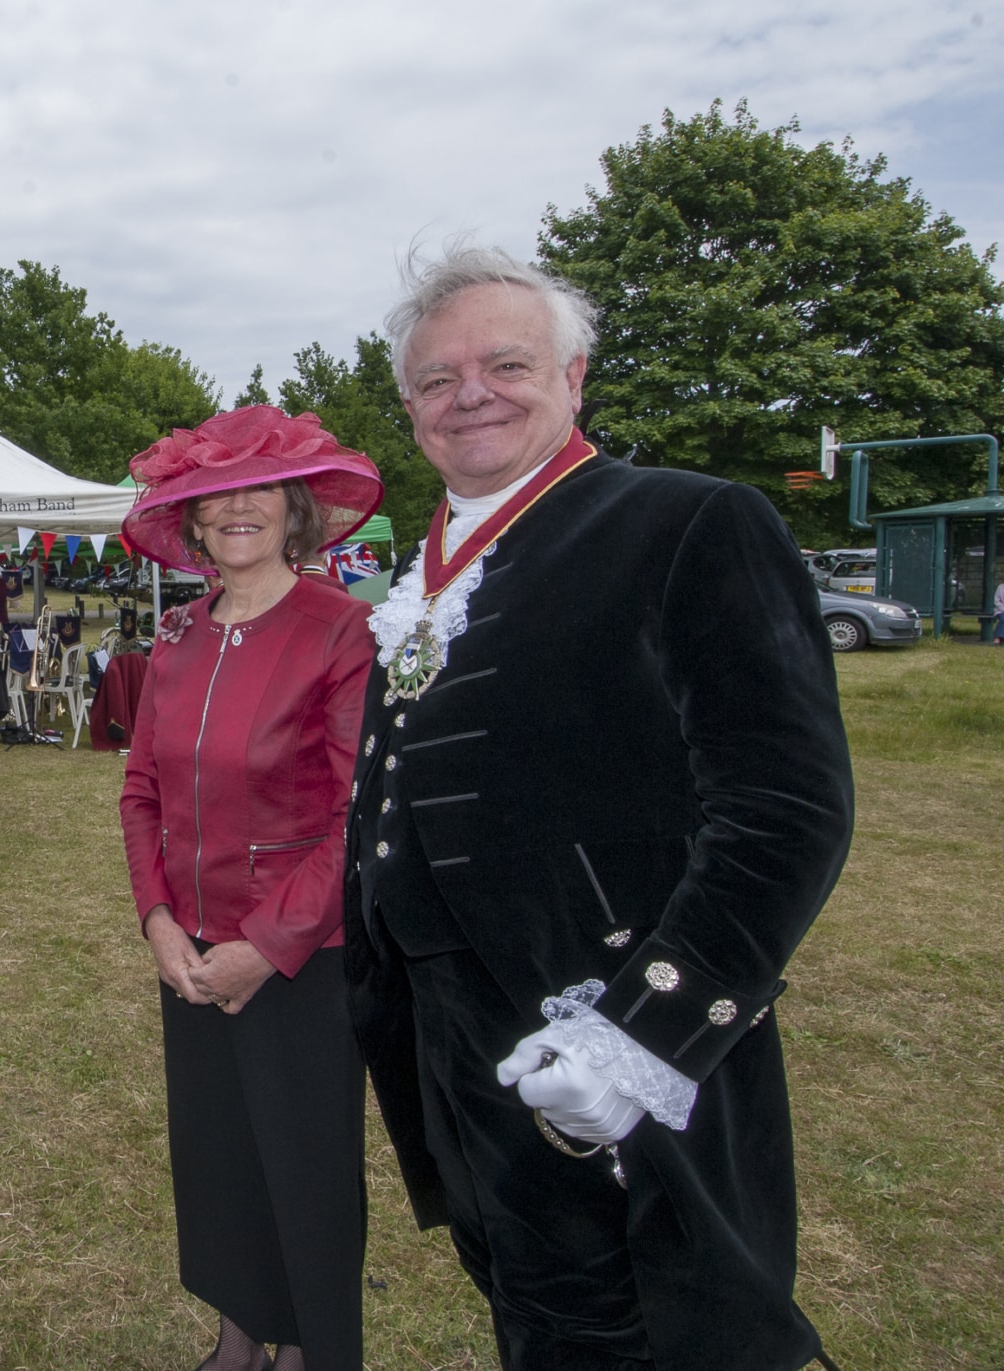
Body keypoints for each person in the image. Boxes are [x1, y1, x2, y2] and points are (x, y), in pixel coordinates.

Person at [347, 245, 852, 1371]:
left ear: (574, 378)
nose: (467, 392)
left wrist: (640, 1039)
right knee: (534, 1308)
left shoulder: (688, 521)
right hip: (450, 1035)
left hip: (604, 1028)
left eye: (505, 363)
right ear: (410, 408)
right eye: (434, 380)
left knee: (665, 1328)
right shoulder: (424, 573)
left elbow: (785, 808)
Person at [115, 405, 381, 1371]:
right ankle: (238, 1335)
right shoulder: (176, 635)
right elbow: (140, 791)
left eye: (257, 490)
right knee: (216, 1157)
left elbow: (362, 816)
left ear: (295, 508)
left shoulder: (344, 631)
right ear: (188, 522)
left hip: (301, 959)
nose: (237, 509)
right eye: (213, 495)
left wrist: (264, 949)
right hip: (187, 953)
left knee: (303, 1166)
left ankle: (312, 1346)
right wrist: (157, 923)